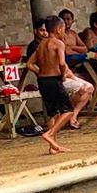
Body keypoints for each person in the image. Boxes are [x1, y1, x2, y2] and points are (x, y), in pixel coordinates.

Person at [27, 16, 79, 154]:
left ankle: (53, 146)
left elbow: (29, 64)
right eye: (63, 30)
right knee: (68, 110)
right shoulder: (57, 43)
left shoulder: (41, 44)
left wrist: (39, 73)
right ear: (59, 29)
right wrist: (63, 75)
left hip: (43, 80)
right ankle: (50, 134)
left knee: (52, 113)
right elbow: (62, 63)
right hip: (53, 79)